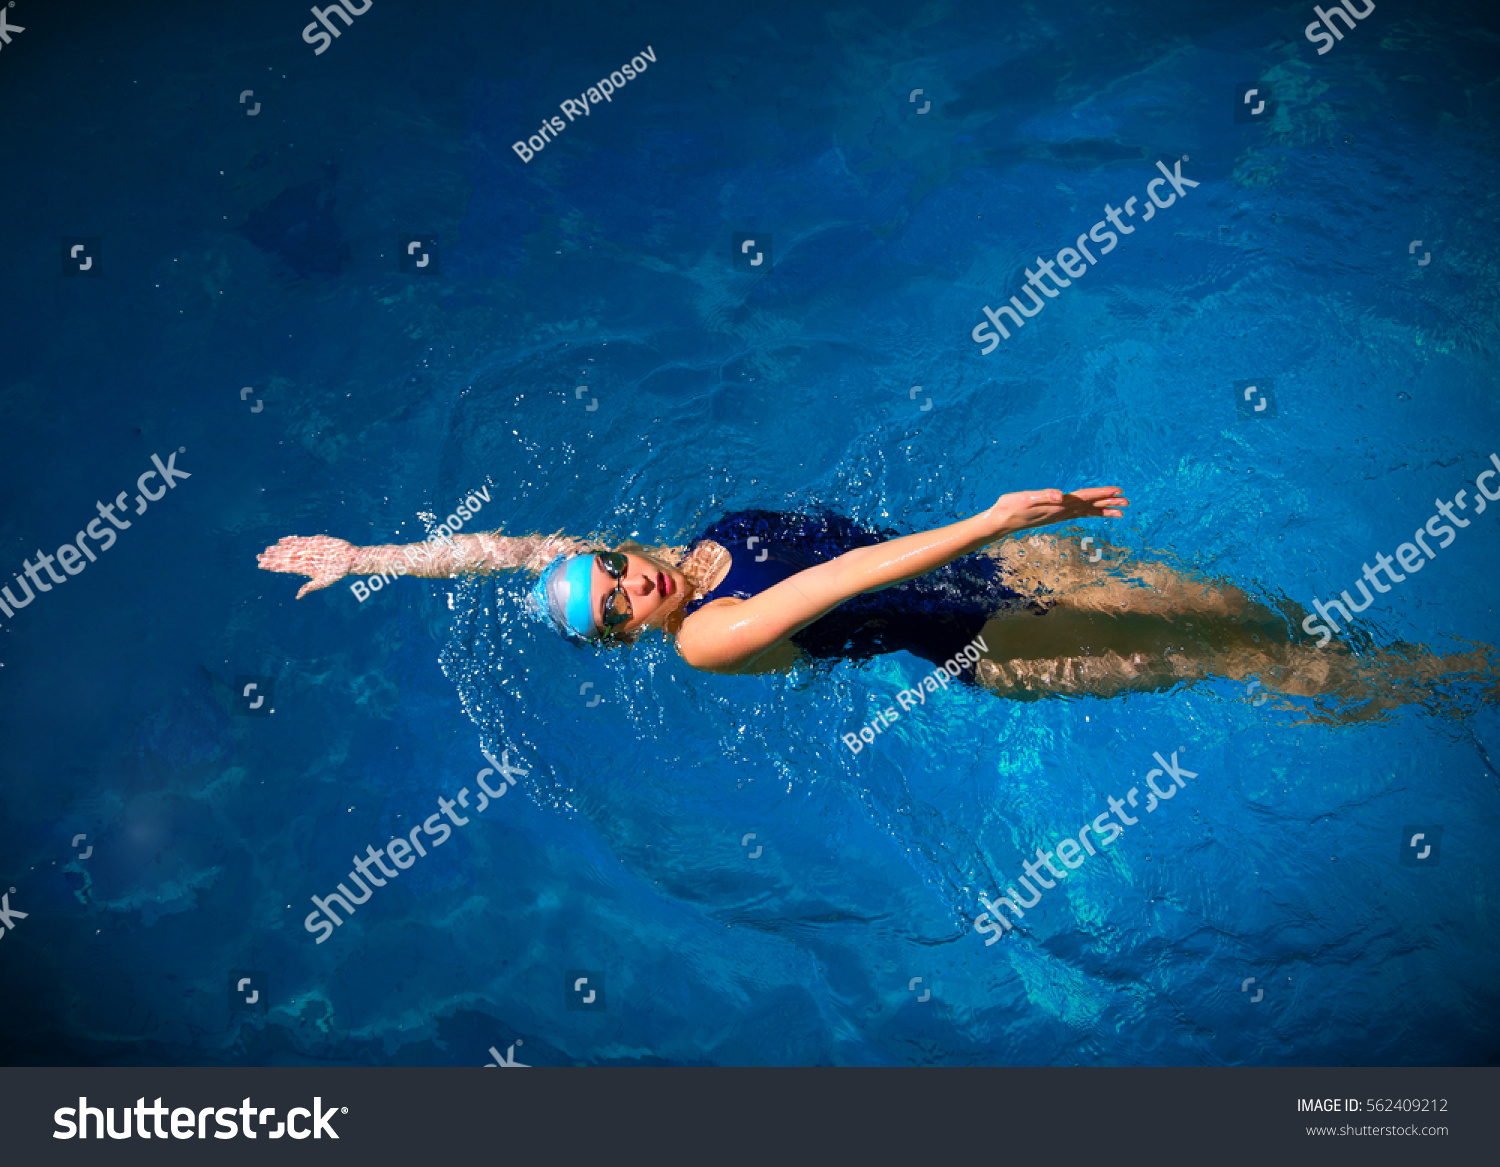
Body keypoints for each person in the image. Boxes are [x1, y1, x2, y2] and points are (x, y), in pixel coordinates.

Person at [256, 486, 1491, 721]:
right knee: (1231, 655)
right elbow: (844, 579)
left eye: (614, 572)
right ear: (633, 639)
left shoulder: (677, 554)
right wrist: (995, 524)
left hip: (990, 569)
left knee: (1242, 606)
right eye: (616, 607)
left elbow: (513, 546)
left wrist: (372, 557)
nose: (634, 586)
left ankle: (1405, 661)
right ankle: (1449, 686)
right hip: (988, 635)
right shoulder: (707, 638)